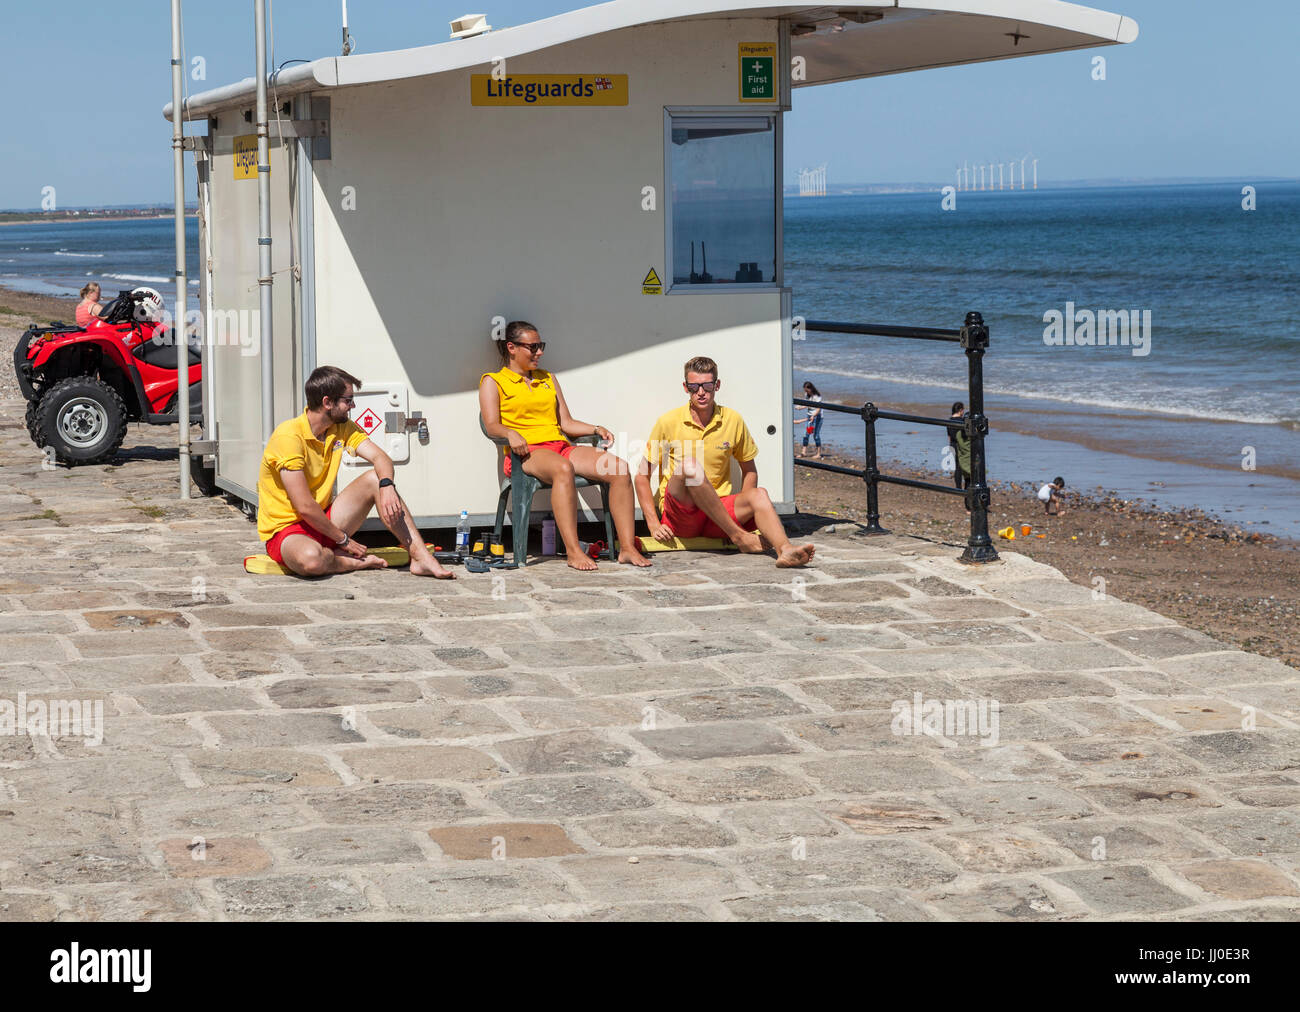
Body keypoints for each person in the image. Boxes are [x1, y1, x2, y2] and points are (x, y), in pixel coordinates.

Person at [479, 321, 651, 571]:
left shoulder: (547, 378)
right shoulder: (493, 381)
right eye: (533, 347)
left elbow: (566, 423)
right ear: (512, 348)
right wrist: (510, 433)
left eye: (541, 346)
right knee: (562, 469)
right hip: (527, 453)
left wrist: (594, 428)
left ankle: (626, 548)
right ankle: (572, 552)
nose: (540, 352)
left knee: (618, 468)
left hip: (560, 446)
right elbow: (492, 424)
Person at [257, 365, 456, 578]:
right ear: (327, 402)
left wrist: (386, 485)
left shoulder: (341, 427)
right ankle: (353, 562)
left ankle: (420, 557)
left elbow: (381, 458)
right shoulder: (289, 437)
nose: (352, 405)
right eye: (348, 400)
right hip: (286, 530)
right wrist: (344, 540)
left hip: (324, 520)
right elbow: (304, 506)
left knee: (375, 479)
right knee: (311, 561)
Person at [635, 355, 815, 568]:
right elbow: (641, 476)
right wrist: (653, 523)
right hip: (682, 515)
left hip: (718, 515)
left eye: (707, 385)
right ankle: (740, 537)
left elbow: (750, 471)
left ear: (717, 385)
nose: (701, 392)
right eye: (694, 387)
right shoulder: (668, 422)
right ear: (686, 388)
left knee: (760, 494)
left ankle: (785, 550)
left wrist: (745, 515)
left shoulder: (733, 420)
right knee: (690, 467)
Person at [794, 381, 824, 459]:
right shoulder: (807, 395)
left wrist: (814, 415)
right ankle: (803, 452)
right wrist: (800, 407)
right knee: (806, 434)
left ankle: (818, 453)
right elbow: (807, 404)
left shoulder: (817, 397)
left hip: (818, 417)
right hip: (809, 417)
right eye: (805, 391)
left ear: (811, 389)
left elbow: (818, 409)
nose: (806, 392)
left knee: (816, 435)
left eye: (807, 391)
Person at [948, 401, 971, 493]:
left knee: (957, 467)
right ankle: (967, 486)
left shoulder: (948, 420)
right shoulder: (962, 421)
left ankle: (958, 487)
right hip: (961, 445)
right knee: (965, 466)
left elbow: (949, 436)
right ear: (961, 410)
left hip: (952, 444)